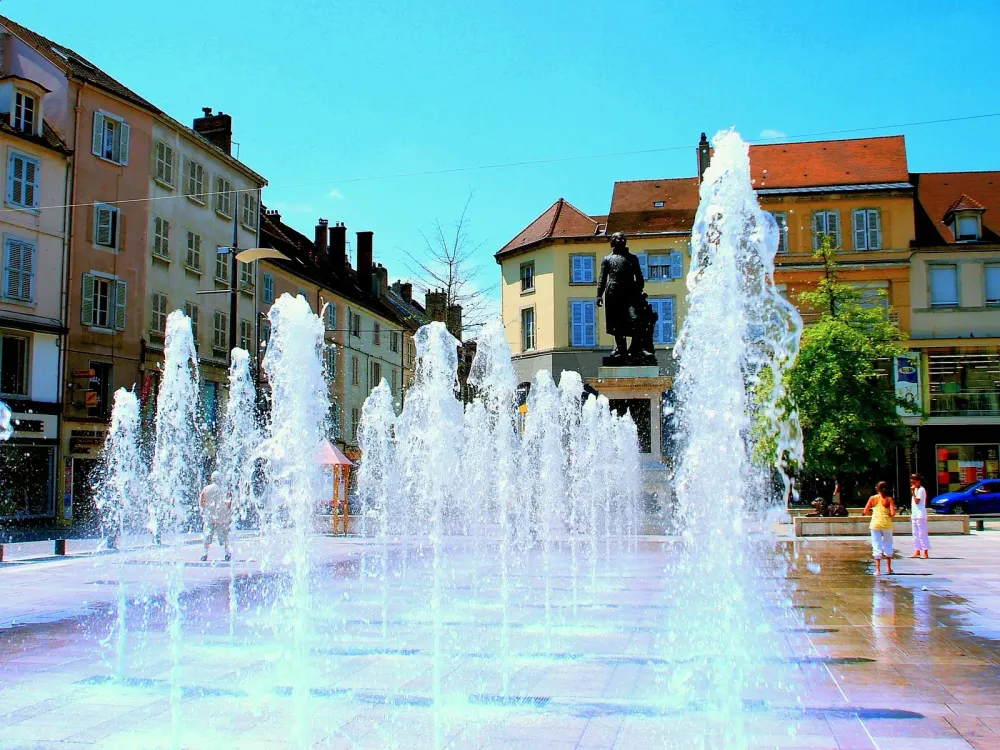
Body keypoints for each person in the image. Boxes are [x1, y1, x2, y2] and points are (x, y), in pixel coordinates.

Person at [863, 481, 896, 575]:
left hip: (875, 524)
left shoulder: (872, 498)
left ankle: (877, 570)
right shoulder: (889, 499)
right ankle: (888, 568)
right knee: (888, 544)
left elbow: (865, 511)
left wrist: (873, 514)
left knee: (876, 545)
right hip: (886, 524)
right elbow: (893, 513)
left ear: (877, 489)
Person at [200, 471, 232, 562]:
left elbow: (202, 501)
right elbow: (229, 503)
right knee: (224, 536)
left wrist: (206, 508)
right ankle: (227, 554)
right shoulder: (224, 489)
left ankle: (205, 554)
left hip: (209, 515)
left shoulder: (206, 489)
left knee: (207, 535)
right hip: (221, 516)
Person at [910, 473, 930, 559]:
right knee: (915, 533)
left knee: (922, 533)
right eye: (911, 482)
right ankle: (917, 550)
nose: (913, 484)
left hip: (920, 514)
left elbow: (917, 501)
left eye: (914, 482)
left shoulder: (921, 490)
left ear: (918, 481)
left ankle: (925, 551)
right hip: (915, 514)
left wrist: (913, 492)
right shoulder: (916, 489)